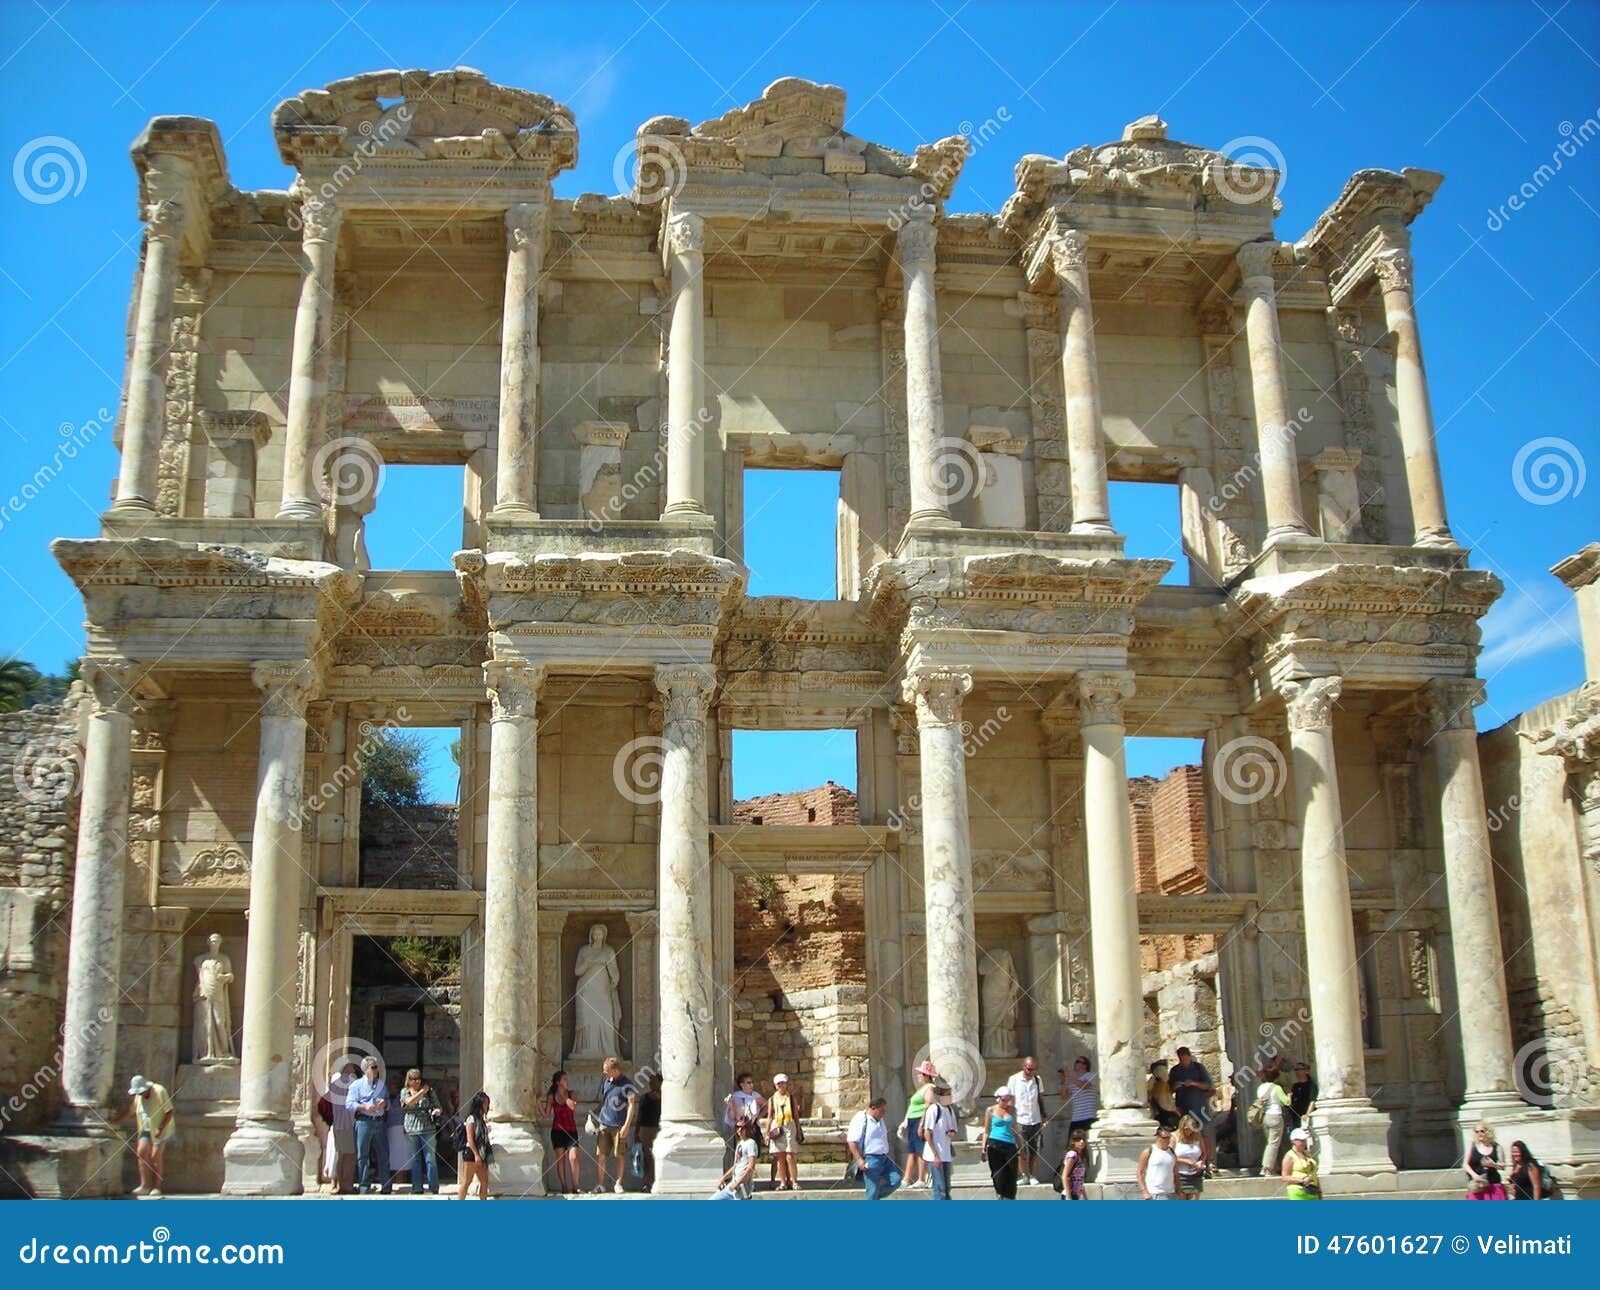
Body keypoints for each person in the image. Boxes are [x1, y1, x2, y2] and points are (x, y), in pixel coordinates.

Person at [116, 1075, 175, 1198]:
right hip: (145, 1129)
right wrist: (116, 1120)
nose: (141, 1094)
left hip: (161, 1129)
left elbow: (169, 1111)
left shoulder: (159, 1091)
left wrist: (160, 1128)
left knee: (155, 1156)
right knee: (141, 1153)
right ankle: (145, 1185)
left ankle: (157, 1187)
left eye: (142, 1092)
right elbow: (131, 1111)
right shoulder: (139, 1097)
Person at [345, 1056, 392, 1194]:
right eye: (373, 1067)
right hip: (364, 1122)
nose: (376, 1070)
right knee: (363, 1155)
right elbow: (349, 1104)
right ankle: (364, 1186)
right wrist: (364, 1107)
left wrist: (385, 1103)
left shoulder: (382, 1085)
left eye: (377, 1067)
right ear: (365, 1069)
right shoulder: (356, 1085)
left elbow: (388, 1101)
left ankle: (386, 1186)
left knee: (384, 1154)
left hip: (379, 1122)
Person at [594, 1057, 638, 1195]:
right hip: (604, 1123)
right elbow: (604, 1101)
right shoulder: (606, 1082)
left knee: (619, 1155)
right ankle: (600, 1184)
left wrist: (626, 1125)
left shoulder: (627, 1084)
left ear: (614, 1070)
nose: (604, 1072)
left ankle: (618, 1183)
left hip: (619, 1124)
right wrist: (594, 1113)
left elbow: (631, 1105)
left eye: (606, 1070)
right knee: (601, 1155)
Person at [846, 1097, 902, 1199]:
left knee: (896, 1180)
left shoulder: (880, 1121)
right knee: (873, 1189)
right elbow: (852, 1140)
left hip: (884, 1158)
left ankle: (876, 1198)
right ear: (873, 1108)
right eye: (881, 1111)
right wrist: (859, 1159)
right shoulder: (861, 1119)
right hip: (870, 1158)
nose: (884, 1113)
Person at [1004, 1056, 1046, 1186]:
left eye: (1033, 1069)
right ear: (1023, 1067)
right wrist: (1009, 1117)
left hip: (1035, 1119)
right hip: (1021, 1119)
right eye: (1028, 1069)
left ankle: (1033, 1175)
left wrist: (1044, 1115)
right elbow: (1010, 1099)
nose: (1030, 1072)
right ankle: (1023, 1175)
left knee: (1034, 1150)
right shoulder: (1014, 1080)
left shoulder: (1037, 1080)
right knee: (1021, 1149)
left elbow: (1040, 1098)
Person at [401, 1068, 442, 1195]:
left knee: (430, 1159)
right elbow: (408, 1103)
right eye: (413, 1079)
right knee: (415, 1159)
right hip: (412, 1128)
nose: (416, 1081)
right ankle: (417, 1187)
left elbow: (438, 1106)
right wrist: (421, 1092)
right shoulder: (405, 1092)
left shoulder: (429, 1092)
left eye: (418, 1078)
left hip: (427, 1128)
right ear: (409, 1080)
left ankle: (433, 1187)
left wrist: (437, 1111)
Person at [540, 1069, 581, 1195]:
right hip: (558, 1131)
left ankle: (575, 1185)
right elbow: (546, 1114)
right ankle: (564, 1185)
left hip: (571, 1130)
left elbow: (573, 1106)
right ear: (558, 1082)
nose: (567, 1081)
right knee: (560, 1159)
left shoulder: (571, 1094)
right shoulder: (552, 1096)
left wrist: (564, 1095)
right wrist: (538, 1103)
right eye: (564, 1079)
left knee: (574, 1157)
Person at [323, 1061, 359, 1194]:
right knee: (349, 1156)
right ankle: (347, 1185)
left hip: (337, 1124)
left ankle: (338, 1184)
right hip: (348, 1124)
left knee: (340, 1156)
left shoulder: (333, 1087)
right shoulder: (352, 1084)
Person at [900, 1059, 937, 1189]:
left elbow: (928, 1106)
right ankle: (907, 1178)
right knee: (912, 1150)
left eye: (920, 1074)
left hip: (919, 1120)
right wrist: (905, 1121)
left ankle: (921, 1178)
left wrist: (921, 1124)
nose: (918, 1076)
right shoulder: (923, 1088)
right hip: (912, 1119)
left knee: (920, 1150)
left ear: (927, 1076)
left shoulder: (930, 1088)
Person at [919, 1081, 958, 1200]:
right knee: (939, 1188)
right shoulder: (934, 1109)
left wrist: (951, 1133)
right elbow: (927, 1132)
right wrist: (935, 1155)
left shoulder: (950, 1110)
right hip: (935, 1155)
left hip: (946, 1154)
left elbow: (953, 1129)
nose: (950, 1096)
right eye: (948, 1094)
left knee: (946, 1188)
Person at [981, 1087, 1020, 1199]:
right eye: (1003, 1100)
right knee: (998, 1174)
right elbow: (986, 1131)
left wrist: (1021, 1147)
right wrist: (983, 1148)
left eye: (1008, 1100)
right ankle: (1000, 1196)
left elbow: (1016, 1129)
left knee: (1012, 1174)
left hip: (1010, 1144)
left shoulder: (1012, 1110)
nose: (1006, 1102)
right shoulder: (990, 1110)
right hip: (995, 1143)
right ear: (998, 1099)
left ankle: (1010, 1198)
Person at [765, 1072, 801, 1192]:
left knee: (790, 1156)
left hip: (789, 1125)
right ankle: (783, 1182)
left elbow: (796, 1116)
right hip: (777, 1126)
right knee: (780, 1156)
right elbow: (770, 1116)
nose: (781, 1086)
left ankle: (794, 1181)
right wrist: (767, 1133)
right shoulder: (771, 1099)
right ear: (775, 1086)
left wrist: (799, 1130)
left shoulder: (791, 1098)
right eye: (779, 1084)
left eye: (783, 1083)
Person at [1169, 1047, 1213, 1136]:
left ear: (1189, 1057)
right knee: (1187, 1134)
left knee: (1204, 1135)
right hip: (1184, 1110)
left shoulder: (1198, 1068)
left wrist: (1194, 1083)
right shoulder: (1175, 1070)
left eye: (1185, 1059)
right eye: (1181, 1059)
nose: (1184, 1061)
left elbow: (1208, 1086)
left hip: (1200, 1109)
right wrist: (1175, 1086)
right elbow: (1169, 1090)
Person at [1252, 1075, 1291, 1176]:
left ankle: (1274, 1167)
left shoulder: (1260, 1088)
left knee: (1270, 1142)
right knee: (1273, 1144)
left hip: (1265, 1117)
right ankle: (1267, 1168)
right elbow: (1286, 1102)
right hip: (1275, 1116)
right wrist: (1289, 1096)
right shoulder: (1276, 1088)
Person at [711, 1119, 759, 1199]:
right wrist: (723, 1178)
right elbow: (736, 1165)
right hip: (732, 1184)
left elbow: (751, 1167)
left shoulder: (751, 1143)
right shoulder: (739, 1143)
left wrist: (738, 1183)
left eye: (742, 1127)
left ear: (747, 1128)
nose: (739, 1130)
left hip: (743, 1186)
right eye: (737, 1127)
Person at [457, 1090, 492, 1200]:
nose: (487, 1106)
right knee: (467, 1181)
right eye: (485, 1103)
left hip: (480, 1154)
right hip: (472, 1154)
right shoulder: (471, 1118)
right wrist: (476, 1155)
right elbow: (470, 1139)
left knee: (484, 1182)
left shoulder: (481, 1119)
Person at [1464, 1122, 1508, 1199]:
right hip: (1476, 1186)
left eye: (1482, 1131)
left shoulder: (1497, 1147)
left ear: (1488, 1132)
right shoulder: (1472, 1146)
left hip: (1493, 1184)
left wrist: (1493, 1165)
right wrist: (1474, 1175)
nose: (1479, 1134)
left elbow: (1503, 1166)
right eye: (1477, 1132)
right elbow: (1465, 1164)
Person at [635, 1072, 661, 1193]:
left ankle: (658, 1179)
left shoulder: (665, 1098)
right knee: (647, 1157)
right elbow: (639, 1116)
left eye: (654, 1081)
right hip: (645, 1130)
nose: (651, 1084)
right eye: (650, 1082)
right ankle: (647, 1182)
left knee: (657, 1156)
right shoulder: (644, 1098)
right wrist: (637, 1131)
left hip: (658, 1129)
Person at [1174, 1113, 1210, 1199]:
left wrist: (1201, 1161)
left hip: (1195, 1174)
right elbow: (1169, 1156)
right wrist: (1186, 1161)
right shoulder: (1174, 1137)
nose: (1189, 1132)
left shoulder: (1197, 1136)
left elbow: (1204, 1152)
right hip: (1180, 1174)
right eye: (1186, 1129)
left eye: (1191, 1129)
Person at [1136, 1125, 1178, 1200]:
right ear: (1158, 1137)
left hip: (1171, 1192)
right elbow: (1139, 1172)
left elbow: (1175, 1172)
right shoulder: (1149, 1151)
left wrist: (1178, 1189)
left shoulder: (1172, 1152)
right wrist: (1144, 1192)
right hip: (1155, 1192)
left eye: (1169, 1137)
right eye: (1165, 1138)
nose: (1168, 1140)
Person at [1064, 1054, 1099, 1138]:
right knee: (1073, 1143)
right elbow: (1064, 1096)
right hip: (1076, 1117)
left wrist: (1069, 1077)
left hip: (1089, 1115)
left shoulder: (1091, 1075)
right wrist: (1063, 1081)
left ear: (1085, 1065)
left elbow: (1084, 1086)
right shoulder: (1073, 1081)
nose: (1075, 1064)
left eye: (1078, 1062)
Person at [385, 1074, 410, 1188]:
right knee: (394, 1158)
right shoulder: (390, 1098)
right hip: (391, 1130)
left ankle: (401, 1181)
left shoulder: (402, 1097)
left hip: (401, 1129)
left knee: (401, 1158)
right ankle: (396, 1181)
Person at [1282, 1127, 1320, 1199]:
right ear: (1293, 1141)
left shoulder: (1307, 1154)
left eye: (1304, 1140)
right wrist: (1302, 1180)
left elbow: (1314, 1173)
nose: (1303, 1142)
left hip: (1312, 1190)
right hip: (1298, 1190)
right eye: (1301, 1140)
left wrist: (1319, 1190)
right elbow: (1285, 1177)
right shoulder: (1289, 1156)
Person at [1286, 1061, 1317, 1137]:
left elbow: (1312, 1101)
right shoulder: (1295, 1086)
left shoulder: (1311, 1085)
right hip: (1295, 1116)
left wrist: (1307, 1114)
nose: (1297, 1072)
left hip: (1305, 1115)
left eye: (1299, 1069)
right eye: (1296, 1070)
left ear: (1305, 1071)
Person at [1146, 1060, 1179, 1130]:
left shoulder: (1159, 1084)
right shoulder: (1160, 1085)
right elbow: (1164, 1102)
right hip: (1167, 1117)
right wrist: (1175, 1111)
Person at [1059, 1129, 1089, 1200]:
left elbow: (1079, 1179)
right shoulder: (1072, 1155)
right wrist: (1068, 1196)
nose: (1081, 1142)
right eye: (1078, 1140)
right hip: (1070, 1194)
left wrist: (1085, 1196)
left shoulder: (1080, 1156)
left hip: (1076, 1194)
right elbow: (1064, 1176)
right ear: (1073, 1142)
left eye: (1083, 1139)